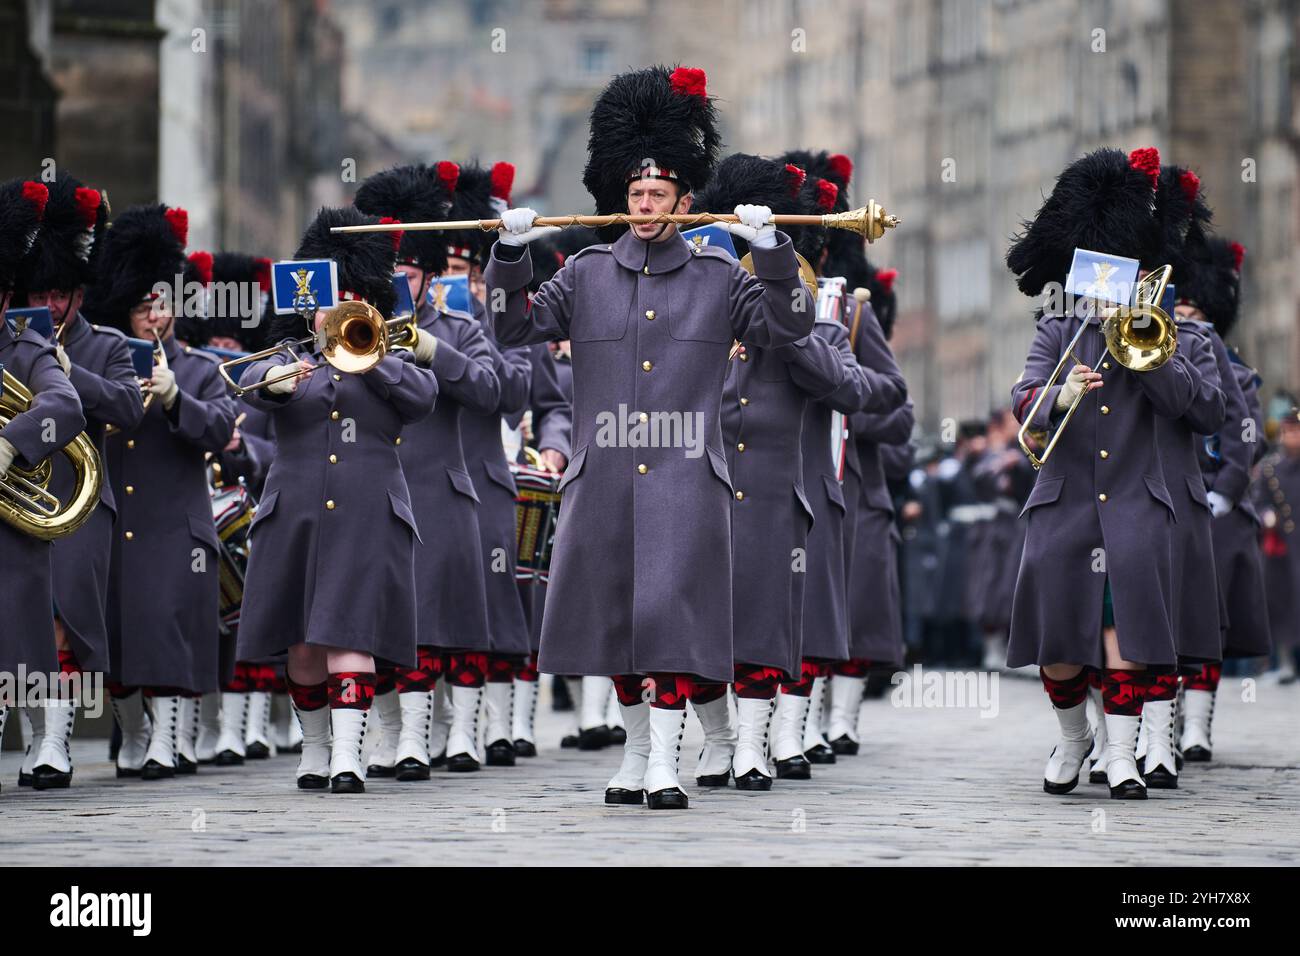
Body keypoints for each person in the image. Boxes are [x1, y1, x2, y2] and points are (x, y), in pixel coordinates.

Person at [485, 65, 816, 809]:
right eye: (634, 195)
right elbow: (510, 326)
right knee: (613, 627)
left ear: (683, 201)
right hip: (602, 477)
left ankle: (666, 761)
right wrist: (509, 255)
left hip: (684, 478)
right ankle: (637, 750)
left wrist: (769, 252)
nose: (643, 207)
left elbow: (788, 326)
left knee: (668, 621)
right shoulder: (586, 272)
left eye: (657, 196)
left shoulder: (716, 276)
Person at [1005, 147, 1202, 800]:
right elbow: (1024, 401)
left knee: (1127, 639)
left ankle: (1123, 758)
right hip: (1064, 504)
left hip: (1133, 506)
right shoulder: (1057, 330)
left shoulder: (1162, 331)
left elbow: (1199, 408)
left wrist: (1146, 351)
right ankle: (1072, 738)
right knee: (1059, 644)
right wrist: (1060, 394)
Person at [235, 206, 438, 793]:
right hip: (294, 511)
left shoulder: (388, 359)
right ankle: (317, 747)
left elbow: (422, 398)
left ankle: (349, 755)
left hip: (367, 512)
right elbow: (253, 398)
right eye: (330, 303)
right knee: (302, 645)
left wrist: (369, 358)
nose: (337, 313)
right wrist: (278, 380)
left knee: (351, 636)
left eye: (351, 302)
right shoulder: (286, 358)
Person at [353, 162, 502, 780]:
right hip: (377, 492)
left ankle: (451, 734)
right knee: (377, 619)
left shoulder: (461, 329)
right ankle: (393, 735)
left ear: (428, 276)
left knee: (449, 622)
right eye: (388, 272)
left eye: (407, 272)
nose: (396, 282)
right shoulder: (353, 331)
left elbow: (492, 390)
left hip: (440, 488)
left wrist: (435, 353)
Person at [84, 204, 236, 780]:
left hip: (177, 522)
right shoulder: (108, 359)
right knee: (118, 636)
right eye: (144, 307)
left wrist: (177, 399)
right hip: (119, 517)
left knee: (170, 631)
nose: (154, 316)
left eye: (162, 305)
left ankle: (167, 741)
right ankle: (139, 730)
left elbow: (221, 429)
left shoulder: (197, 368)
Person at [15, 174, 143, 789]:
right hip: (18, 496)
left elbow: (128, 408)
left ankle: (54, 743)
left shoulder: (110, 346)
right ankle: (32, 735)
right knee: (23, 615)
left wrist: (70, 376)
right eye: (41, 292)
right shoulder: (13, 343)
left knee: (67, 618)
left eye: (62, 293)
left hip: (83, 500)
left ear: (79, 294)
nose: (52, 305)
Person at [0, 178, 87, 794]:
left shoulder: (26, 349)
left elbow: (67, 407)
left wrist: (10, 441)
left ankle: (48, 739)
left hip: (11, 529)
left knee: (21, 643)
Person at [1184, 235, 1274, 758]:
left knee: (1208, 618)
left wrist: (1224, 494)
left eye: (1196, 304)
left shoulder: (1236, 371)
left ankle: (1198, 722)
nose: (1188, 311)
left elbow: (1247, 437)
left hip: (1218, 500)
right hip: (1170, 493)